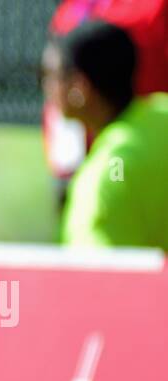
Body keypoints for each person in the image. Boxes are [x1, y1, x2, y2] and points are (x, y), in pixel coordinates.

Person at [46, 19, 168, 250]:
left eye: (50, 75)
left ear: (79, 87)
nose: (46, 86)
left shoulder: (98, 187)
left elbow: (97, 281)